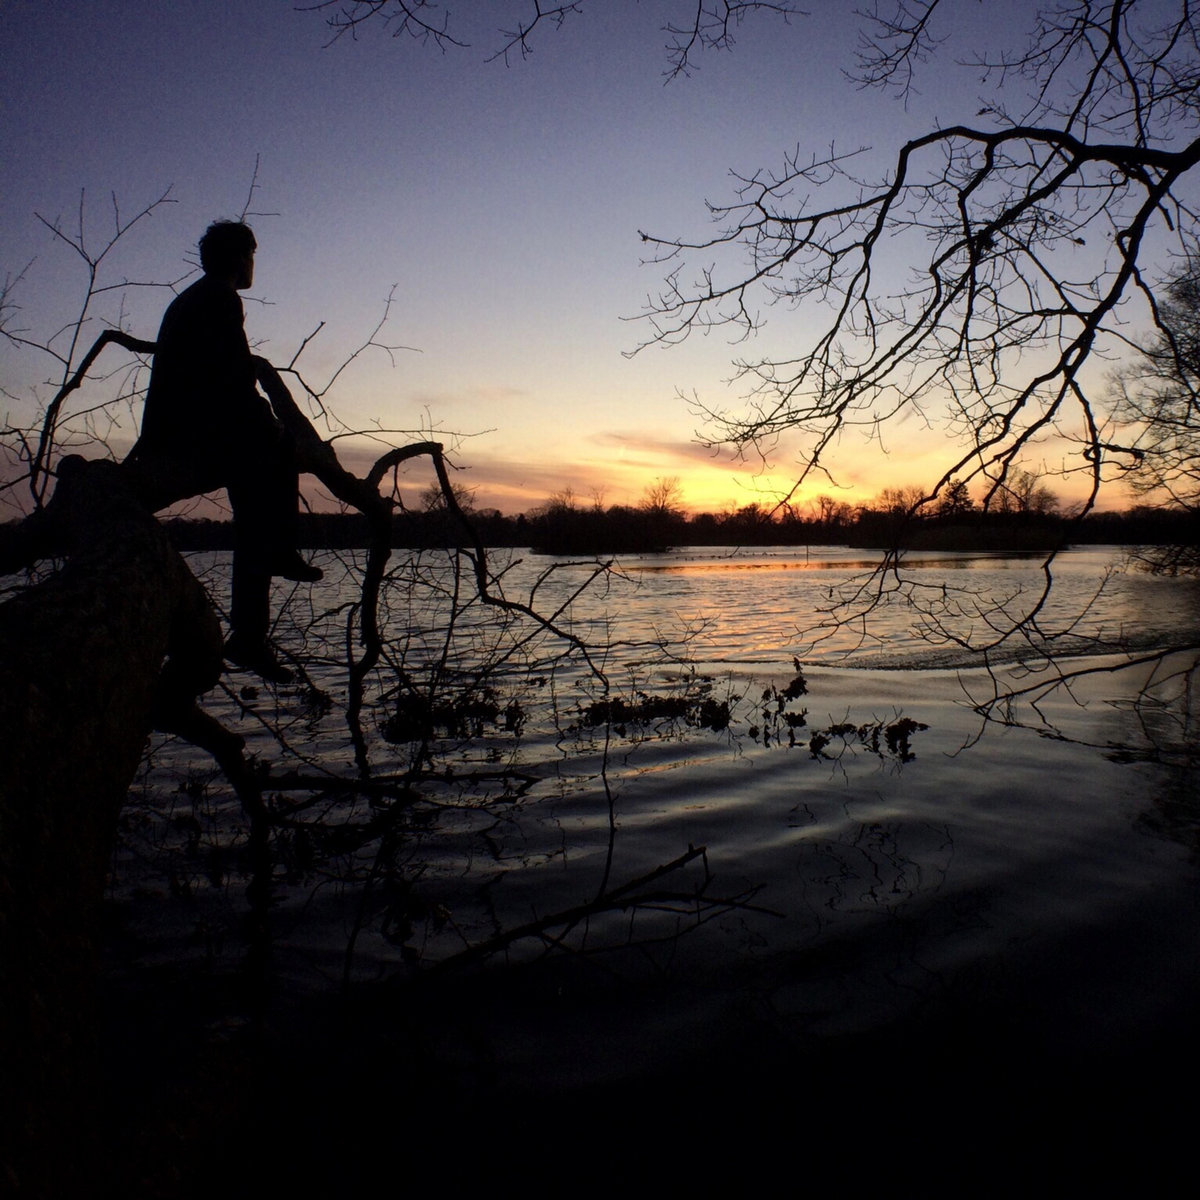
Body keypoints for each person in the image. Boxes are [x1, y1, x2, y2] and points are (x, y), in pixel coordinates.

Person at [134, 220, 321, 683]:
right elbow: (233, 380)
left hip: (184, 426)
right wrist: (272, 425)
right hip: (191, 431)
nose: (253, 264)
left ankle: (251, 631)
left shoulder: (192, 299)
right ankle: (281, 556)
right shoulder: (220, 298)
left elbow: (222, 374)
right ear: (239, 258)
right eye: (251, 255)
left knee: (255, 510)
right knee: (279, 450)